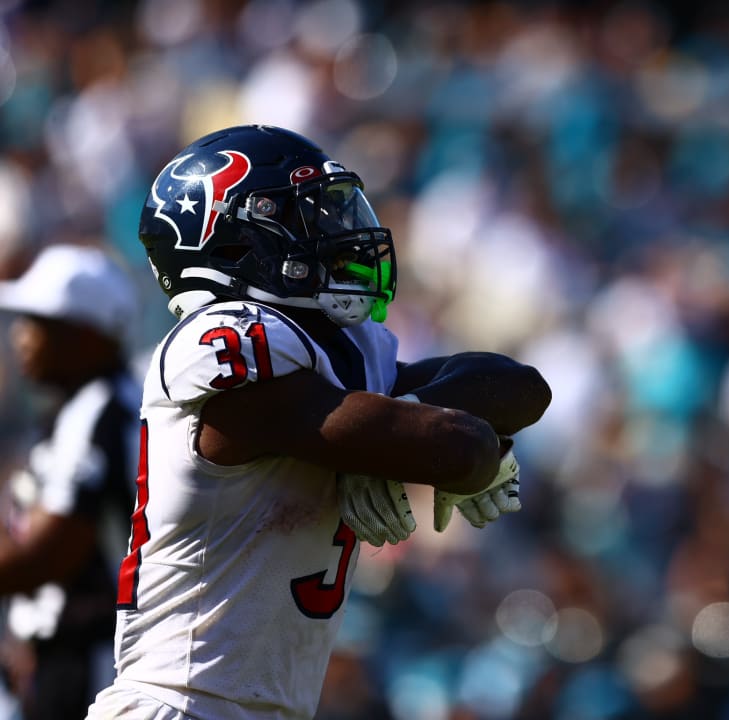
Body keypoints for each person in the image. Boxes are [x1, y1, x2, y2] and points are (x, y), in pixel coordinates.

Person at [85, 124, 551, 719]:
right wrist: (413, 442)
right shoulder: (220, 341)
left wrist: (392, 436)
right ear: (234, 242)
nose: (337, 233)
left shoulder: (340, 350)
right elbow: (459, 449)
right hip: (178, 703)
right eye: (308, 217)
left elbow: (519, 387)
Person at [0, 243, 141, 719]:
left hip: (95, 662)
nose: (20, 337)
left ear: (86, 335)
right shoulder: (81, 409)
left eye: (39, 323)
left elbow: (42, 557)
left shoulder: (98, 413)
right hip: (69, 657)